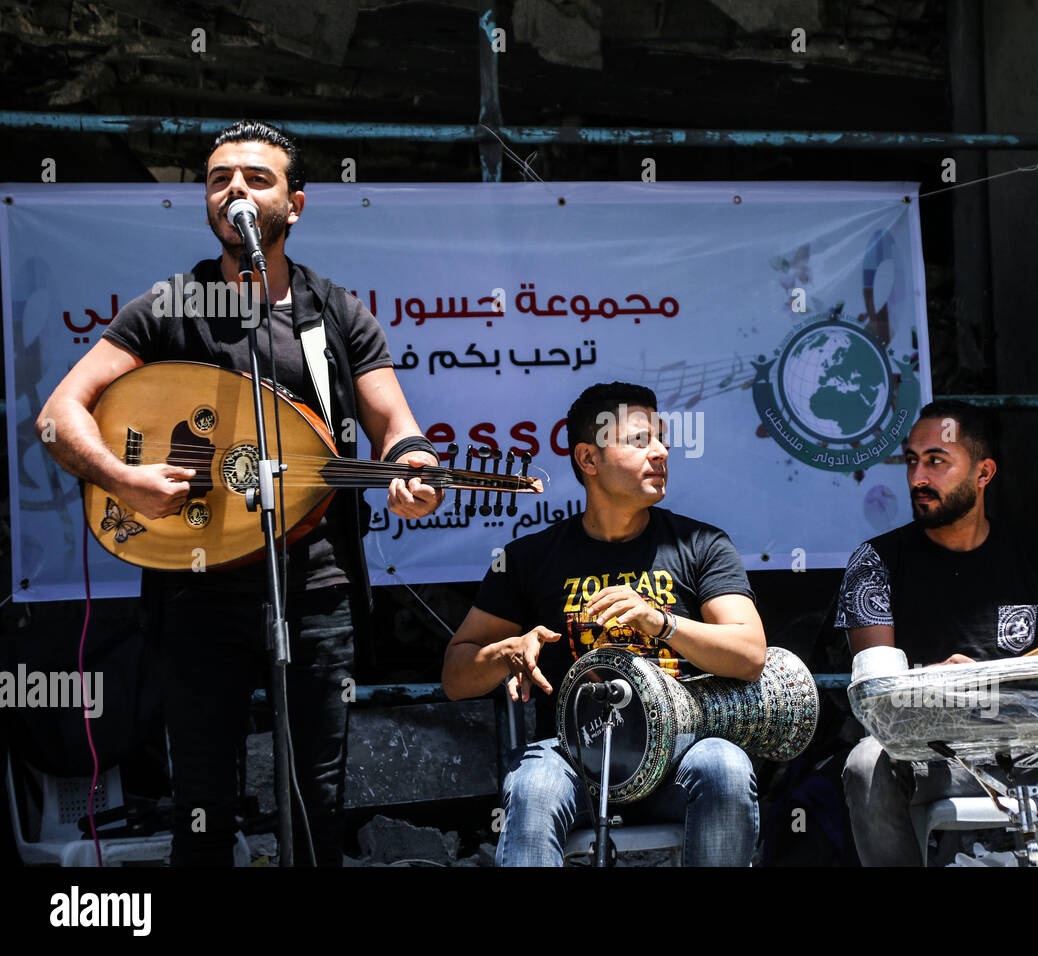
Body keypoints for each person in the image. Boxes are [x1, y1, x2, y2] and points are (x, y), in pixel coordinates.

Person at [36, 120, 444, 865]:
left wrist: (412, 468)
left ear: (296, 204)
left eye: (258, 180)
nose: (237, 192)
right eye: (221, 179)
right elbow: (58, 418)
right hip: (196, 590)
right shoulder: (170, 305)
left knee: (317, 794)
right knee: (203, 801)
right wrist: (124, 478)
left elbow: (397, 426)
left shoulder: (334, 313)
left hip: (314, 589)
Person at [442, 383, 766, 866]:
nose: (660, 452)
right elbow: (456, 676)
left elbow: (750, 654)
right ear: (589, 460)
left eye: (662, 440)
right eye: (639, 441)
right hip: (575, 759)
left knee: (724, 765)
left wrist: (661, 622)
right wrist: (509, 651)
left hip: (677, 758)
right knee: (532, 781)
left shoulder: (701, 545)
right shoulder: (529, 558)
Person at [836, 399, 1038, 866]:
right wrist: (938, 681)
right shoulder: (876, 563)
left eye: (936, 462)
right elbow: (876, 698)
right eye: (911, 461)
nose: (917, 479)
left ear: (983, 473)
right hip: (938, 755)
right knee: (866, 763)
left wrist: (1004, 680)